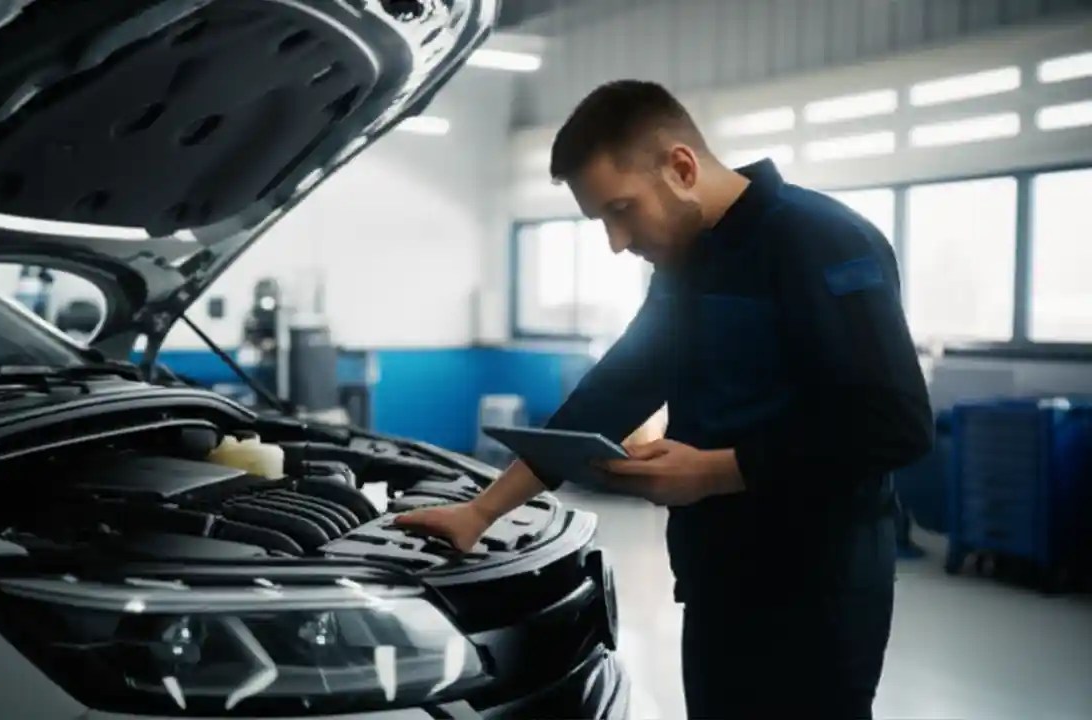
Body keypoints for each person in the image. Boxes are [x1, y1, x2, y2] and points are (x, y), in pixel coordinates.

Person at [395, 80, 933, 718]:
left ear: (680, 167)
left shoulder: (822, 240)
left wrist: (718, 469)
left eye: (621, 210)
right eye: (601, 221)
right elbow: (621, 384)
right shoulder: (685, 266)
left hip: (818, 587)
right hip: (718, 578)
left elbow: (893, 423)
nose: (617, 242)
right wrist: (481, 513)